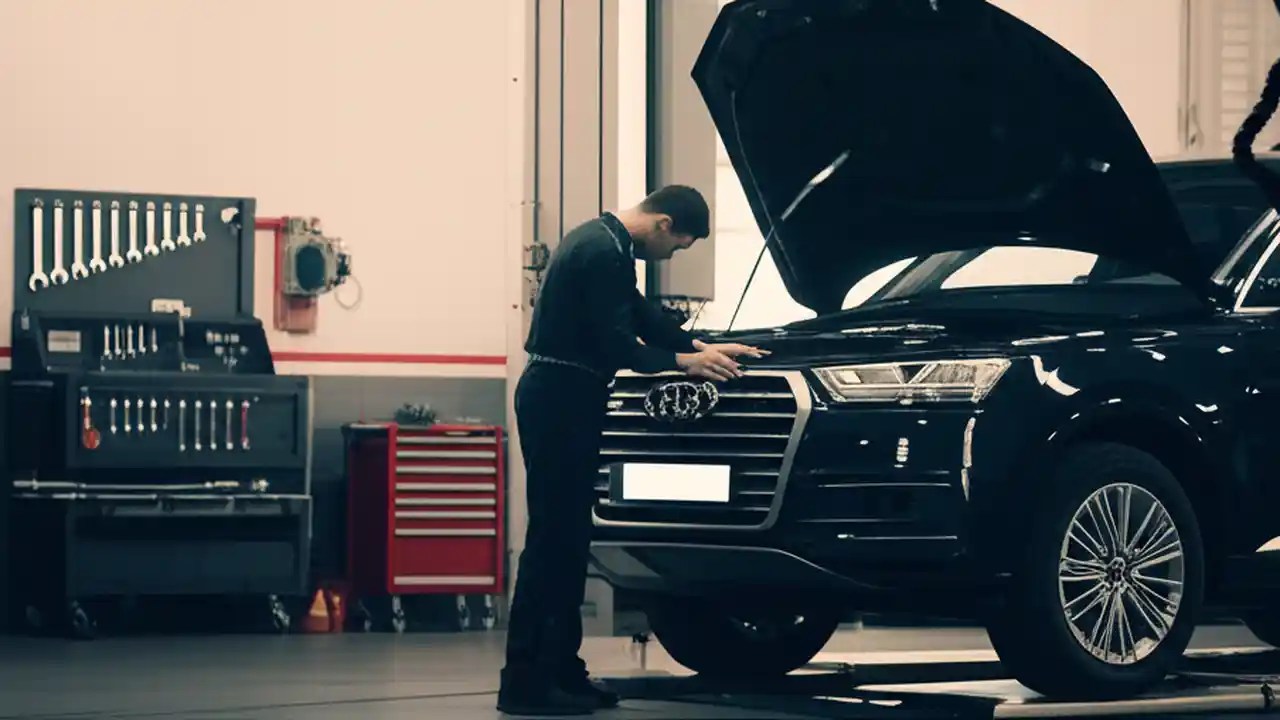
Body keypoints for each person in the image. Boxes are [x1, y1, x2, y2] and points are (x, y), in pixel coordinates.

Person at [497, 185, 768, 716]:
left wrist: (702, 347)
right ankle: (528, 682)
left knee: (569, 539)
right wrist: (681, 363)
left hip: (565, 394)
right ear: (664, 223)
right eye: (681, 245)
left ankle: (560, 668)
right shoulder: (601, 251)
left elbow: (643, 317)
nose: (674, 255)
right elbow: (619, 343)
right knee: (554, 540)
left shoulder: (606, 245)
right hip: (561, 395)